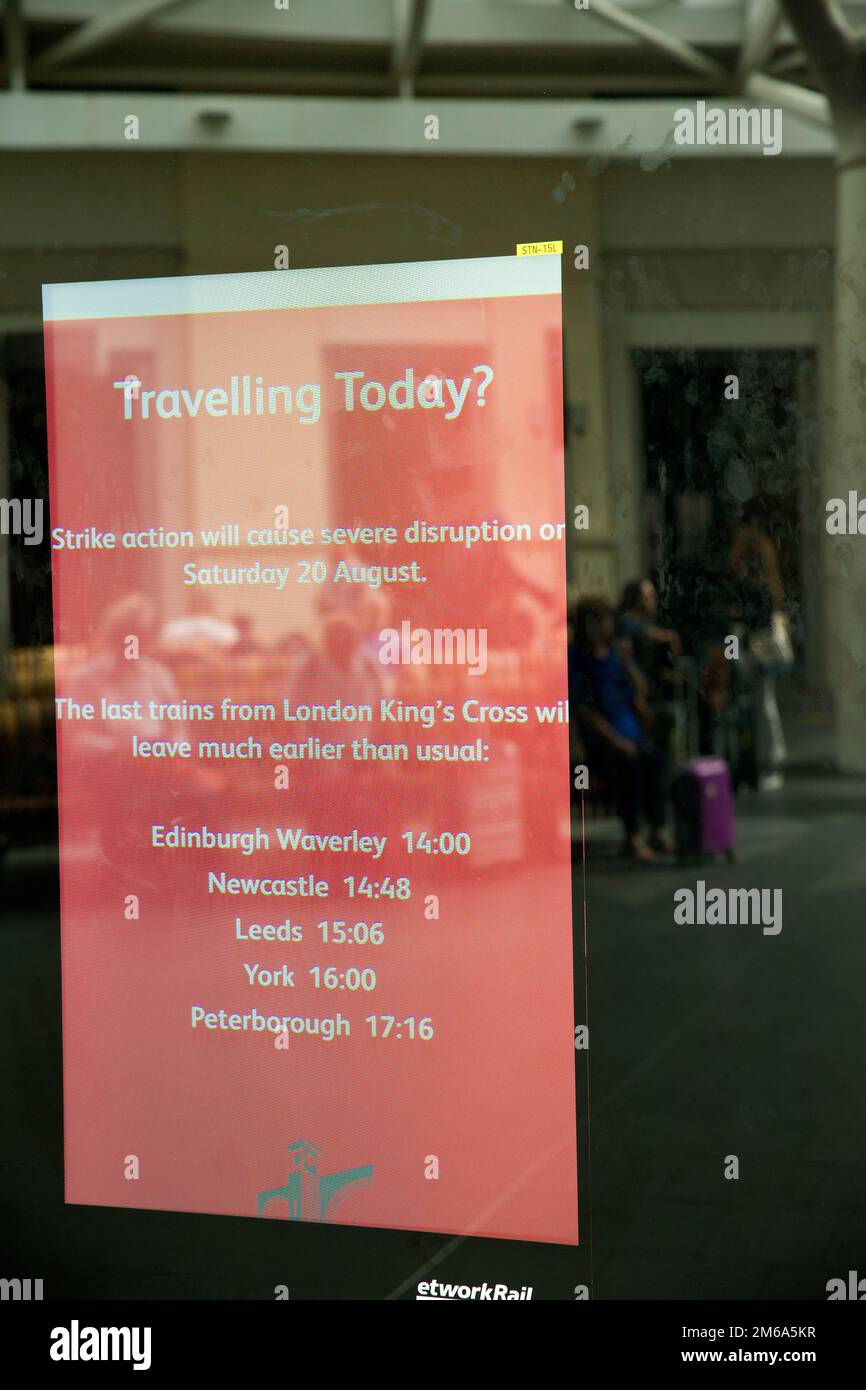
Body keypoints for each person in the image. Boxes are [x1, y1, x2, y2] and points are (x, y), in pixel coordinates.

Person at [570, 596, 665, 863]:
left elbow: (640, 689)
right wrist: (616, 740)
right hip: (602, 741)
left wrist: (629, 663)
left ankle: (658, 828)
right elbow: (585, 711)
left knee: (656, 758)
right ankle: (633, 836)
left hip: (631, 732)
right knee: (628, 762)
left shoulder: (615, 655)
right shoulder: (577, 658)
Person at [617, 578, 681, 848]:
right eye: (646, 596)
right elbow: (630, 656)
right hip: (633, 705)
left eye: (653, 596)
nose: (651, 601)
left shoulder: (649, 626)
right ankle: (651, 826)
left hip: (652, 700)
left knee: (662, 761)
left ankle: (659, 825)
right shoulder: (628, 625)